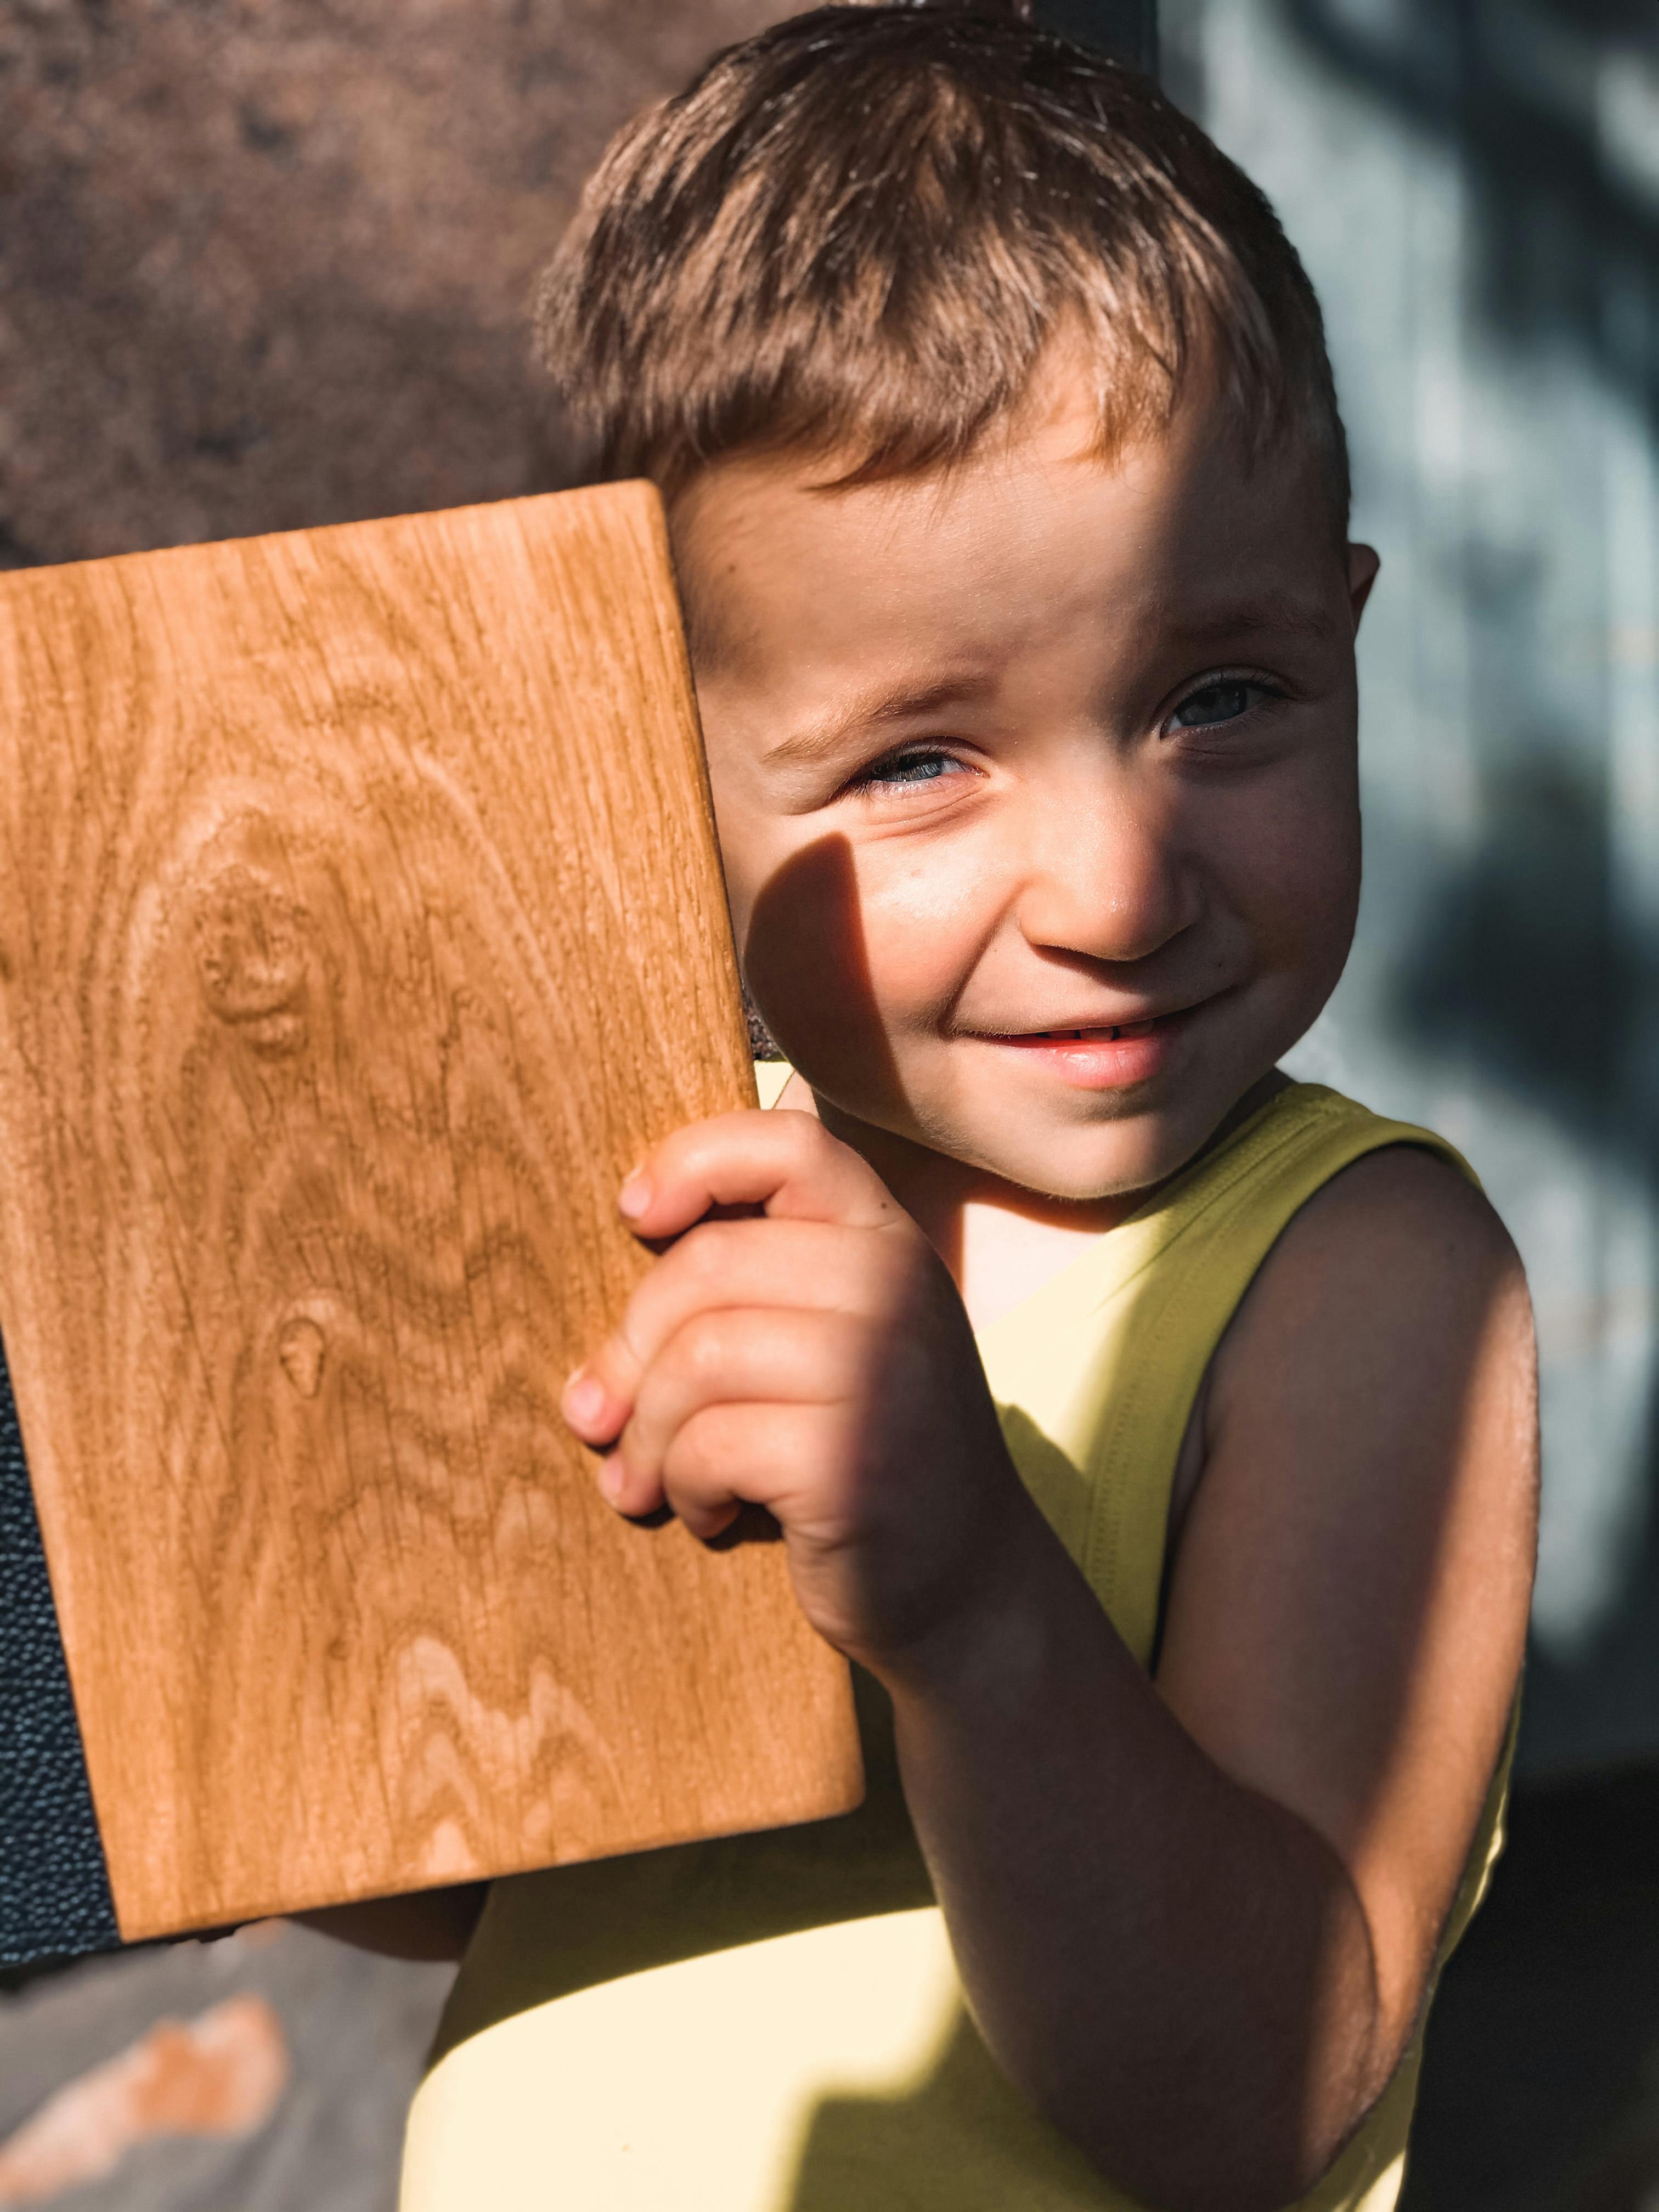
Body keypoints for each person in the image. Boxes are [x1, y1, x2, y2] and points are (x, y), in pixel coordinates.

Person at [391, 9, 1539, 2207]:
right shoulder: (634, 1189)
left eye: (1225, 698)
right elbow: (455, 1886)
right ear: (638, 756)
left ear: (1351, 637)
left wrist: (974, 1605)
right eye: (920, 756)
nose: (1114, 887)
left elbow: (1264, 2095)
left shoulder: (1360, 1278)